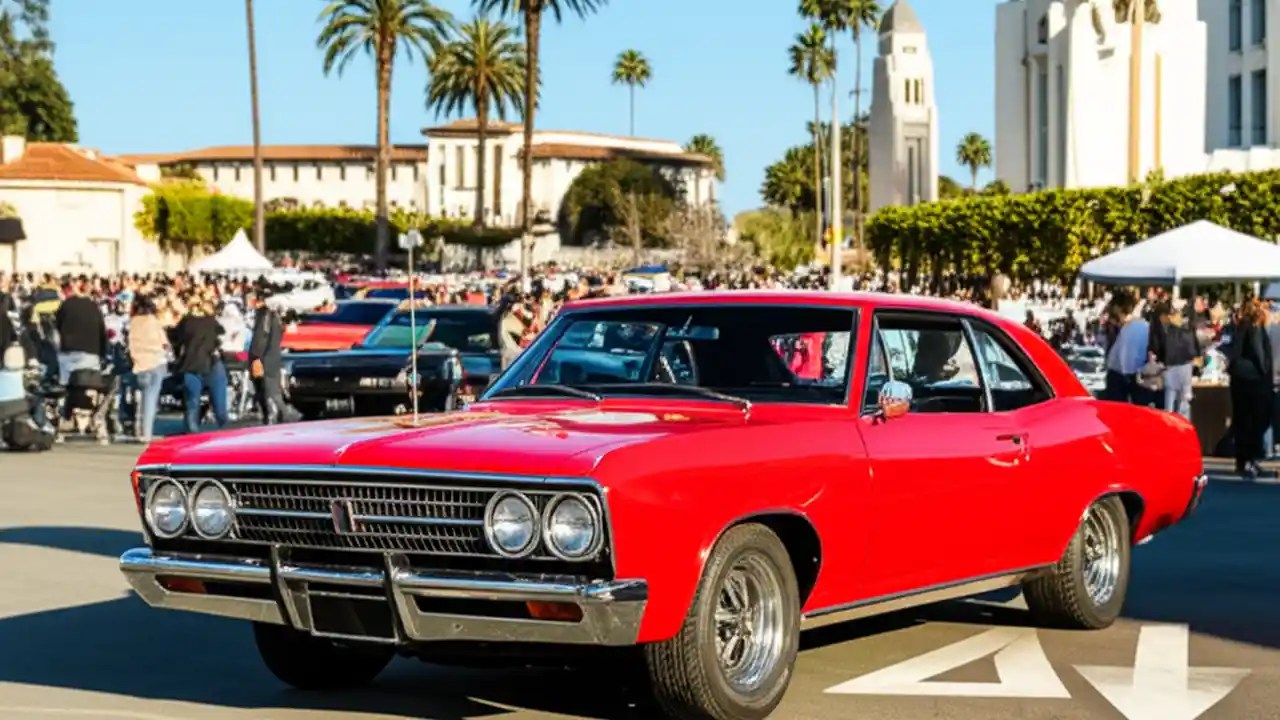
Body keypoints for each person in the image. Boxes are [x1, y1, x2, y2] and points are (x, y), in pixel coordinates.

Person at [1224, 298, 1274, 479]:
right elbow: (1259, 353)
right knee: (1255, 421)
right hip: (1253, 382)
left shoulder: (1241, 327)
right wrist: (1265, 372)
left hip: (1239, 380)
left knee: (1242, 420)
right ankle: (1250, 459)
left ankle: (1243, 460)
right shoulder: (1255, 329)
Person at [173, 299, 228, 434]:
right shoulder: (212, 322)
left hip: (191, 364)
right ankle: (227, 432)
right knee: (219, 406)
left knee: (192, 403)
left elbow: (174, 339)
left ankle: (192, 433)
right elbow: (221, 335)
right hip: (212, 363)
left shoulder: (186, 323)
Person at [1147, 299, 1201, 419]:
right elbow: (1195, 346)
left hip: (1170, 366)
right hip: (1185, 366)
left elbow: (1156, 347)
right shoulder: (1187, 326)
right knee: (1184, 402)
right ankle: (1183, 429)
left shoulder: (1162, 326)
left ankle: (1171, 430)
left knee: (1170, 403)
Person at [128, 295, 170, 443]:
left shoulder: (132, 322)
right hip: (155, 362)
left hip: (138, 364)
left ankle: (136, 427)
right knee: (150, 400)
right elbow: (165, 343)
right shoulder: (154, 321)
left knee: (139, 397)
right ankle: (146, 433)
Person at [1103, 292, 1154, 406]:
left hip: (1123, 379)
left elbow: (1124, 359)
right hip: (1137, 376)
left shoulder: (1129, 328)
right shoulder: (1144, 326)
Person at [54, 281, 108, 386]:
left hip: (67, 352)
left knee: (65, 387)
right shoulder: (94, 307)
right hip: (90, 353)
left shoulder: (66, 305)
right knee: (89, 388)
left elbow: (57, 327)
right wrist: (103, 354)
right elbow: (102, 332)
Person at [248, 291, 286, 425]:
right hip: (273, 357)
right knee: (272, 390)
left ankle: (275, 417)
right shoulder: (274, 316)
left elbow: (259, 338)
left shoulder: (264, 316)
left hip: (263, 359)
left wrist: (255, 357)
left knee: (267, 391)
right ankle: (280, 416)